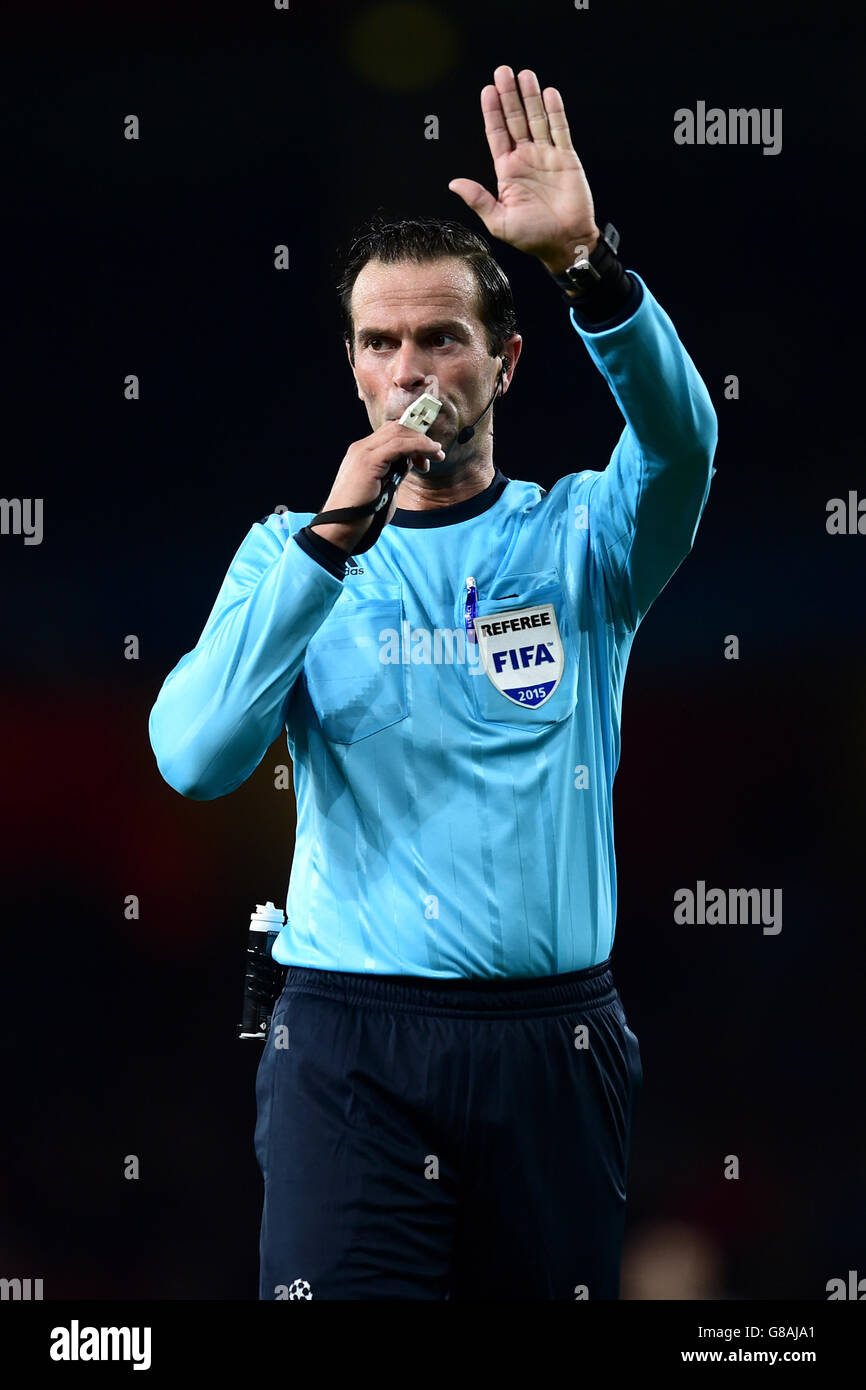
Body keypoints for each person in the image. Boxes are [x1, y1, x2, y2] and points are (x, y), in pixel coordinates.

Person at [149, 65, 718, 1300]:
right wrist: (325, 550)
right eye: (380, 340)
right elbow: (194, 760)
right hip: (346, 1043)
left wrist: (589, 271)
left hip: (551, 1040)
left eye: (442, 337)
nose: (412, 367)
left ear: (503, 362)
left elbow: (682, 443)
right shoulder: (284, 552)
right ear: (352, 367)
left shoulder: (583, 542)